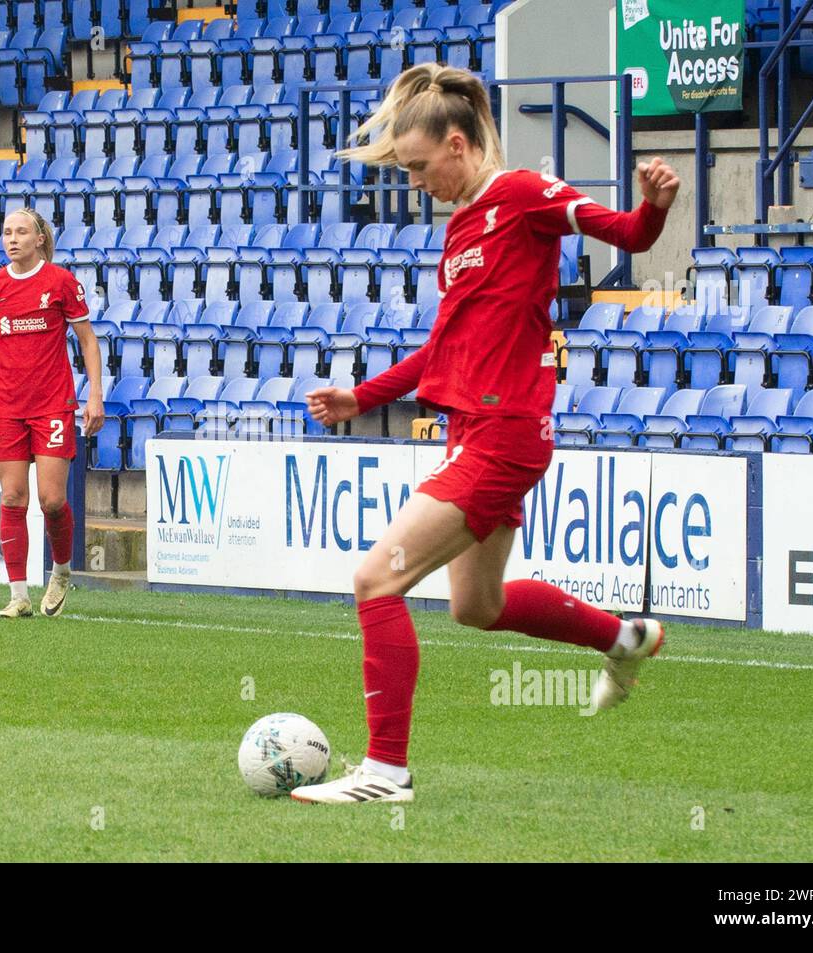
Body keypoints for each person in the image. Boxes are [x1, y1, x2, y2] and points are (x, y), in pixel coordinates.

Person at [291, 64, 680, 805]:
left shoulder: (522, 194)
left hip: (505, 430)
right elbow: (442, 346)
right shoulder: (463, 229)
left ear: (459, 144)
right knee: (477, 606)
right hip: (470, 428)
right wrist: (360, 398)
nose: (414, 184)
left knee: (376, 580)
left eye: (417, 167)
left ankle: (385, 772)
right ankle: (623, 637)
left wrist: (653, 206)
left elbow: (626, 233)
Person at [0, 208, 104, 619]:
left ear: (40, 239)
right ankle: (18, 595)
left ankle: (60, 571)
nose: (12, 238)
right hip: (7, 407)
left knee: (52, 500)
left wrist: (95, 395)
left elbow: (88, 342)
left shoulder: (60, 282)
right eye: (6, 232)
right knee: (14, 497)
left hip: (53, 404)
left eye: (21, 232)